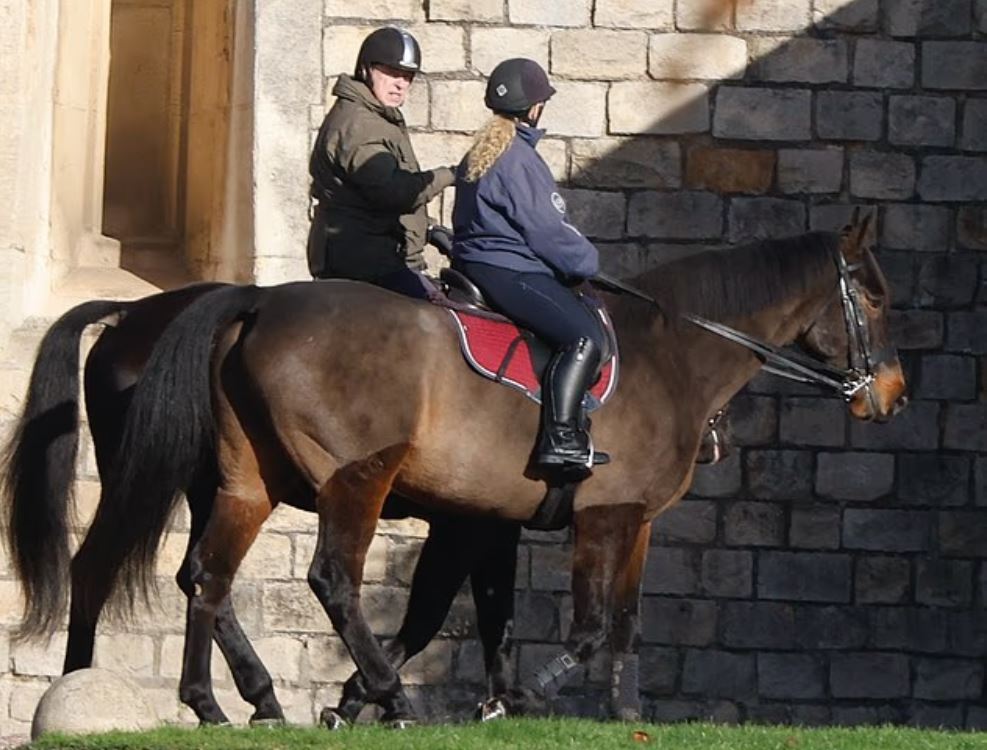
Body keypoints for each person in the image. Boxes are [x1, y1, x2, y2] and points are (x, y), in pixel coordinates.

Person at [451, 58, 609, 469]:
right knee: (585, 338)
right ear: (535, 108)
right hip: (510, 270)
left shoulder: (483, 150)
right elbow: (548, 231)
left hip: (478, 265)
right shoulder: (519, 160)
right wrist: (587, 263)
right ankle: (561, 439)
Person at [307, 26, 455, 298]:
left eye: (408, 76)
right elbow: (394, 193)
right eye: (391, 73)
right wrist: (451, 174)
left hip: (375, 253)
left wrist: (429, 228)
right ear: (366, 70)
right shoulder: (359, 125)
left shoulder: (377, 116)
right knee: (441, 316)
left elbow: (373, 197)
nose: (400, 83)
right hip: (363, 261)